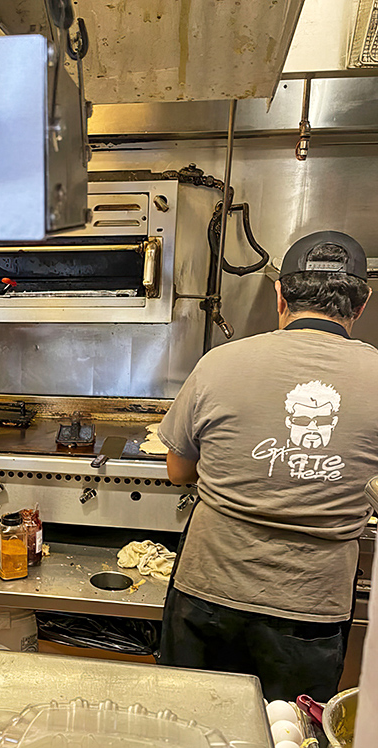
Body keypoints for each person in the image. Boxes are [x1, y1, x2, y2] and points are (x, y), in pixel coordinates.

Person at [157, 230, 378, 701]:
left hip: (208, 592)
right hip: (312, 606)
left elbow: (178, 470)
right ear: (362, 303)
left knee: (188, 729)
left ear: (280, 294)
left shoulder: (220, 363)